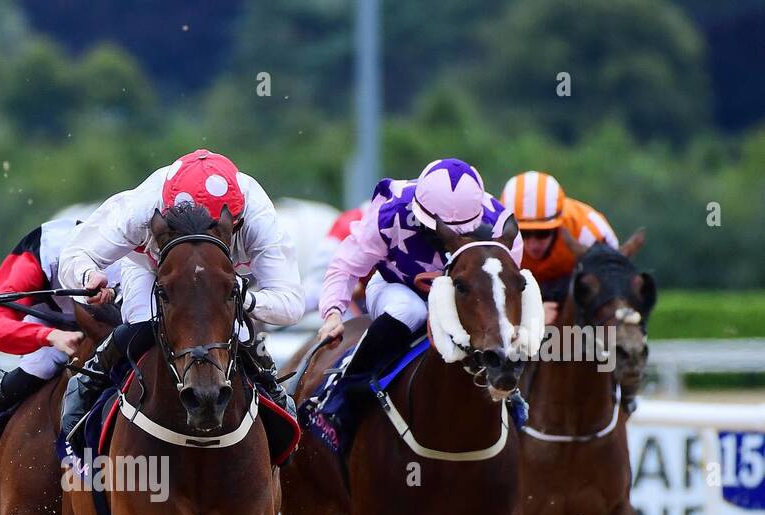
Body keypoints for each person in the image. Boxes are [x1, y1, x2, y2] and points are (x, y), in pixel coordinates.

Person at [57, 149, 302, 445]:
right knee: (146, 331)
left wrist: (244, 300)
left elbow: (291, 304)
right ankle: (90, 381)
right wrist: (88, 277)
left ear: (236, 221)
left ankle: (270, 386)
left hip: (221, 285)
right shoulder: (141, 207)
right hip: (153, 272)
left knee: (238, 337)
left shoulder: (259, 217)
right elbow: (75, 254)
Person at [317, 158, 524, 382]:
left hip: (466, 300)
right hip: (396, 287)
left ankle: (514, 402)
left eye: (459, 233)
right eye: (439, 231)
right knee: (410, 310)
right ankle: (347, 391)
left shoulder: (499, 225)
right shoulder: (390, 213)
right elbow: (346, 265)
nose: (448, 239)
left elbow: (505, 292)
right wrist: (333, 314)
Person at [0, 219, 122, 475]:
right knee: (43, 363)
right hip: (51, 319)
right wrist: (47, 336)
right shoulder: (36, 258)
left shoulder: (126, 250)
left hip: (115, 317)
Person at [500, 171, 617, 323]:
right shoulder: (492, 232)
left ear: (559, 223)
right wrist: (530, 309)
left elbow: (613, 286)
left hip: (573, 287)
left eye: (543, 233)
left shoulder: (590, 230)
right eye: (524, 233)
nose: (533, 245)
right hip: (519, 287)